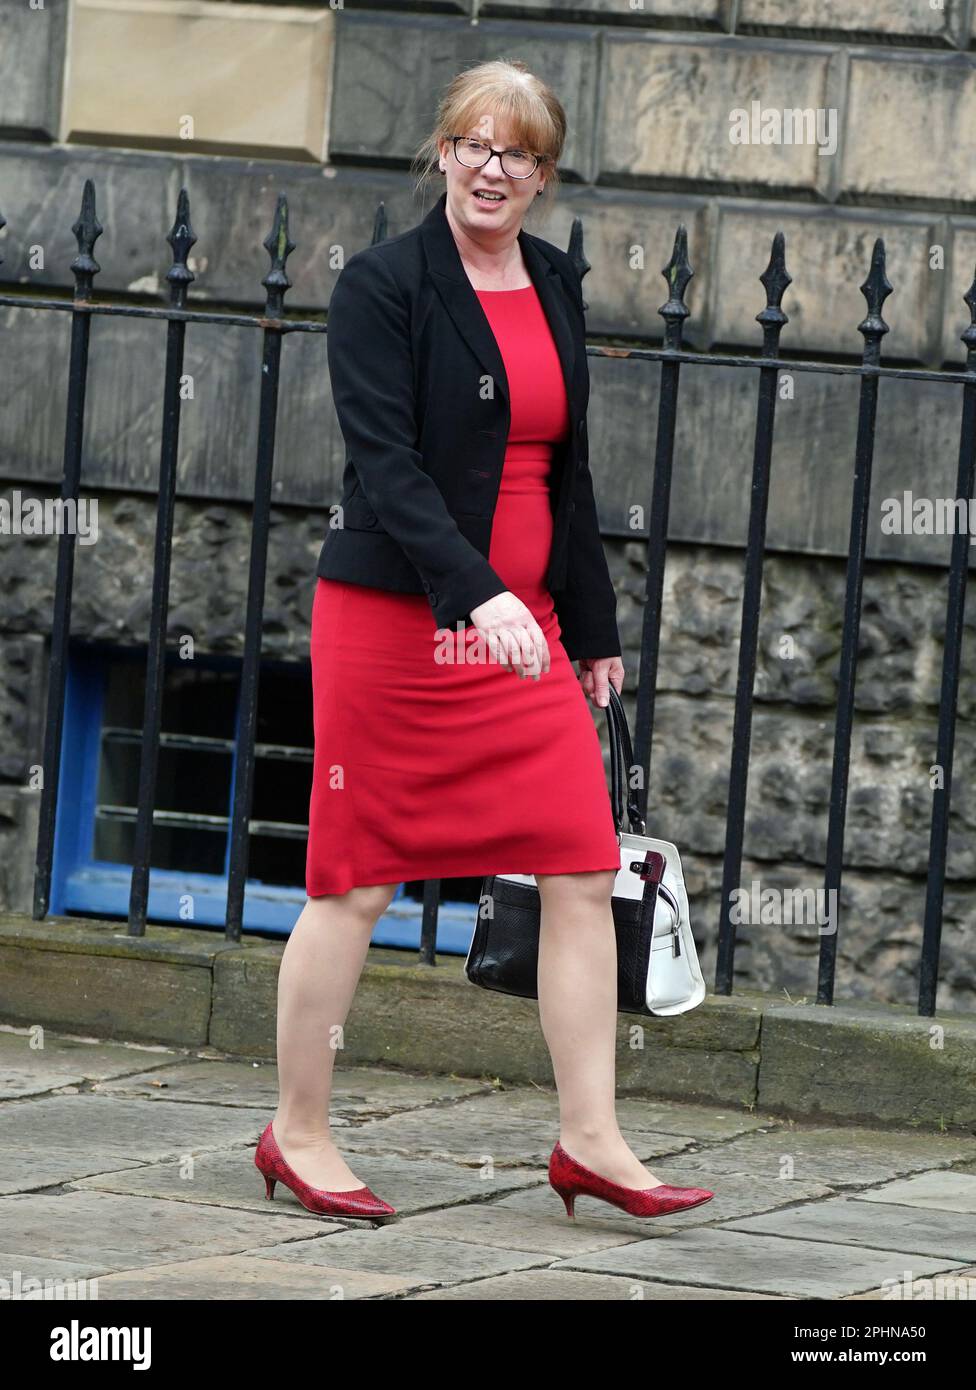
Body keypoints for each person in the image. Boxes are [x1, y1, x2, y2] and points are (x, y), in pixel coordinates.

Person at [254, 59, 713, 1224]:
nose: (490, 168)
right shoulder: (384, 284)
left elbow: (565, 471)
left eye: (517, 152)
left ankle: (591, 1137)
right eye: (472, 143)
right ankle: (296, 1130)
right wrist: (474, 595)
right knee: (352, 880)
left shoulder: (552, 279)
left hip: (531, 635)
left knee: (577, 861)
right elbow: (386, 466)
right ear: (442, 154)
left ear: (543, 175)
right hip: (400, 629)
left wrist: (589, 625)